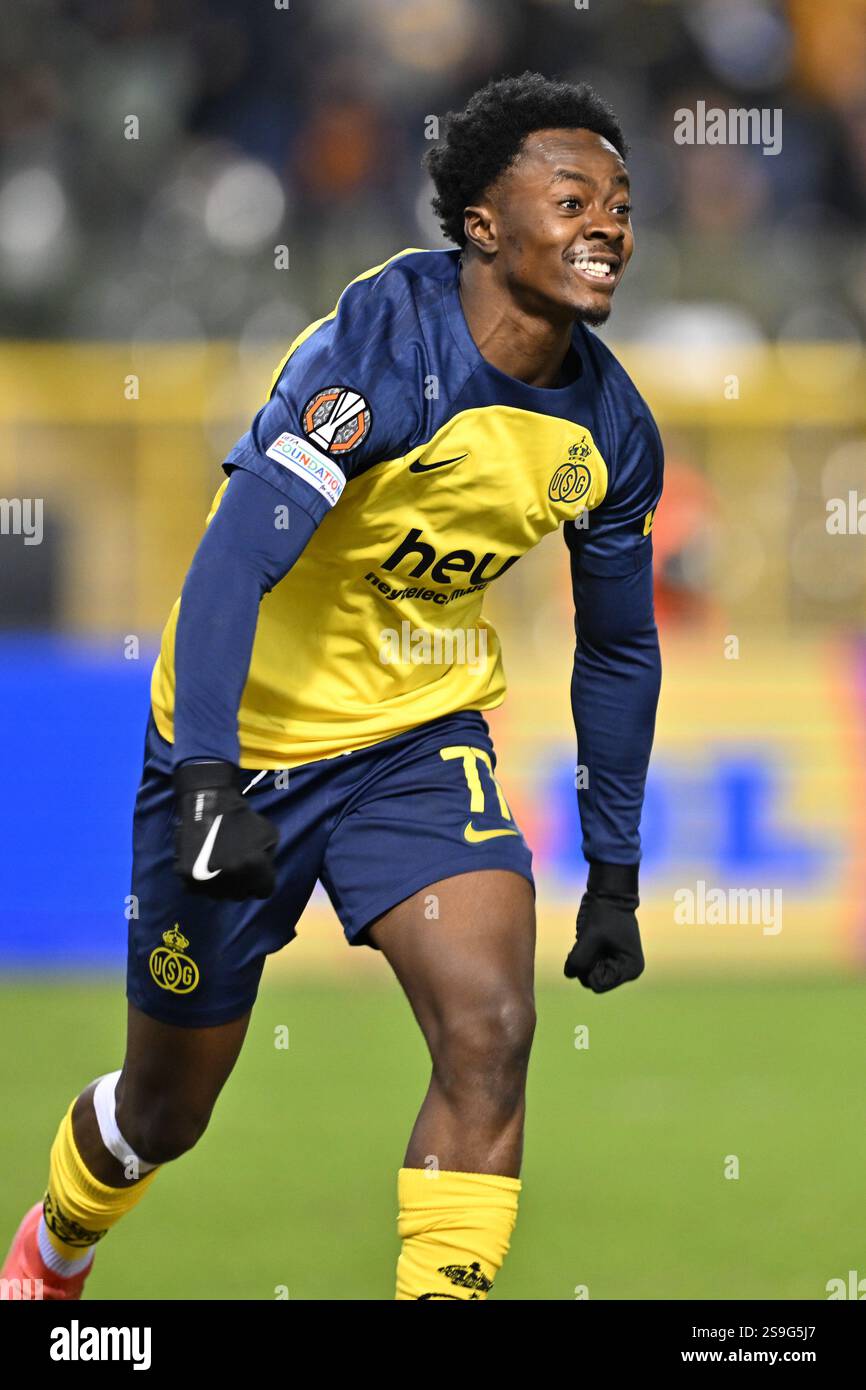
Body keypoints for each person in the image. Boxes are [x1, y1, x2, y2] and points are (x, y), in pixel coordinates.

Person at [2, 71, 662, 1302]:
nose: (609, 224)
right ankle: (54, 1249)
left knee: (491, 1029)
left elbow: (619, 647)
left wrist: (613, 870)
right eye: (572, 196)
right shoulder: (380, 349)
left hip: (415, 739)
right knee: (166, 1107)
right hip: (238, 741)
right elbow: (233, 556)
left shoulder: (611, 434)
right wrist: (204, 772)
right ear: (481, 222)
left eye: (620, 202)